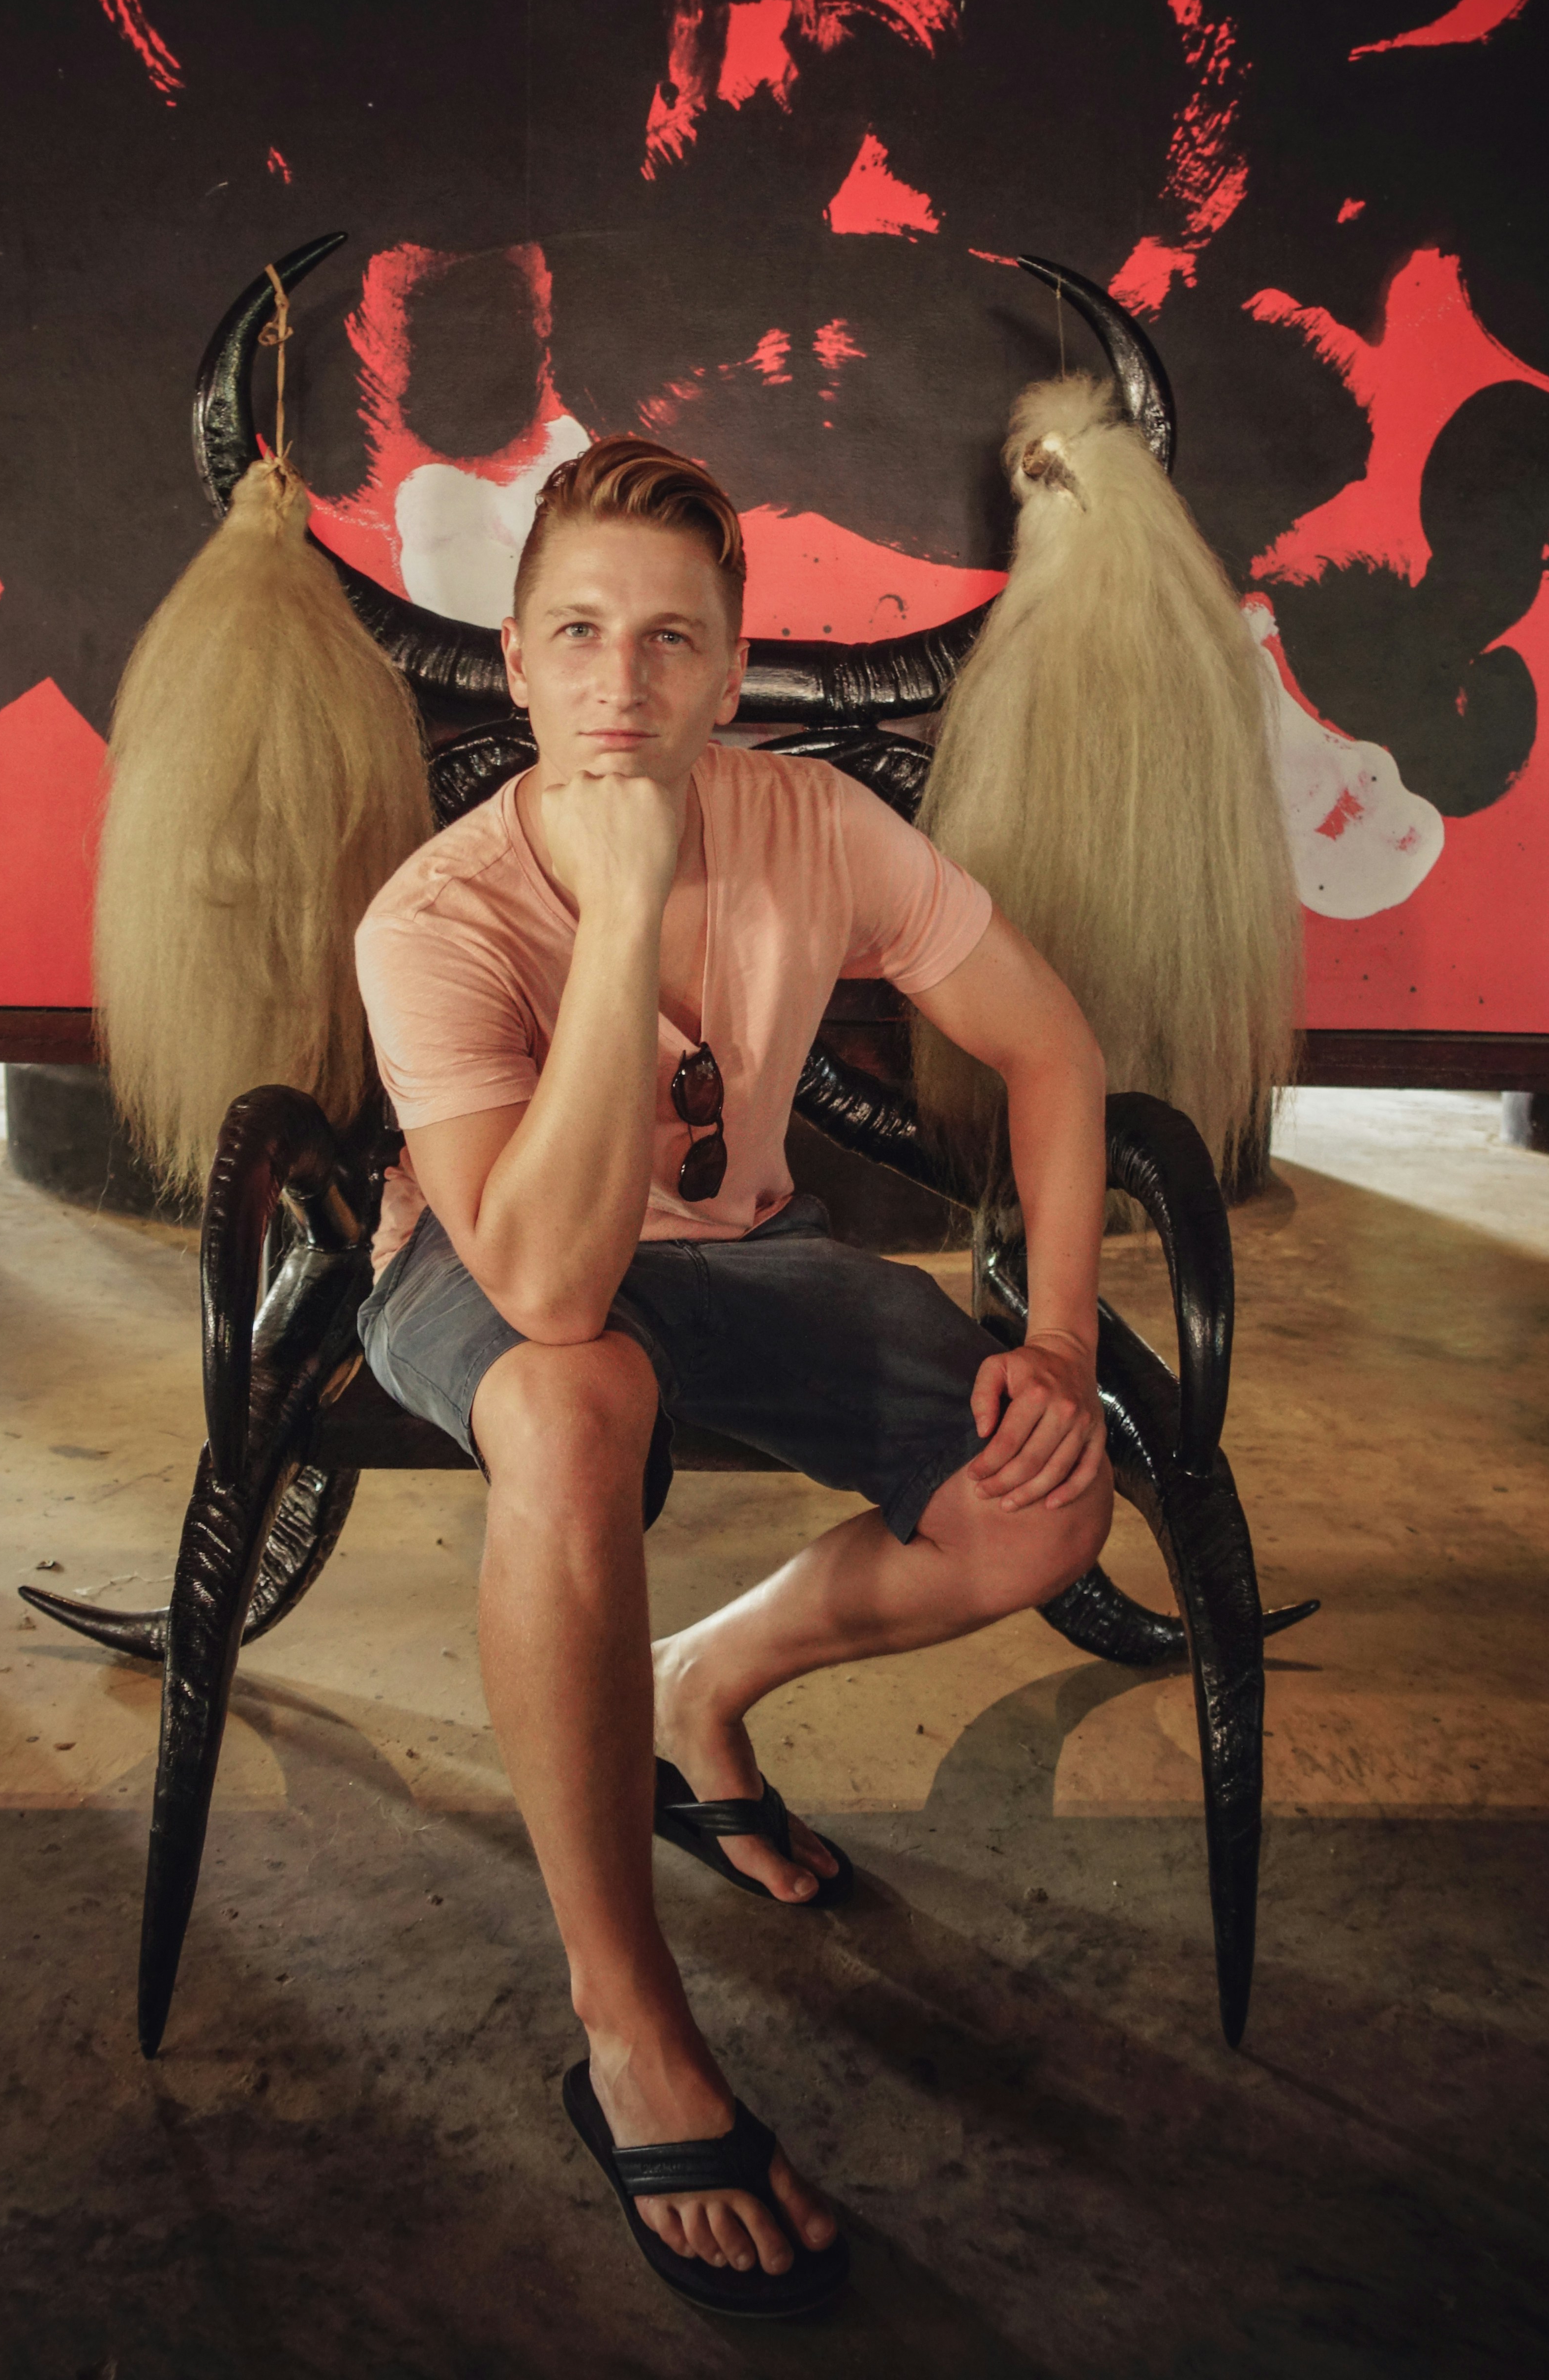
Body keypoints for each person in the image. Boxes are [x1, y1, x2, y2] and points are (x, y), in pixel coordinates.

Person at [353, 436, 1112, 2317]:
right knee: (572, 1393)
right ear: (516, 660)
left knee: (1042, 1520)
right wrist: (620, 913)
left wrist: (1065, 1337)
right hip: (484, 1254)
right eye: (582, 634)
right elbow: (541, 1280)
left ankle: (703, 1684)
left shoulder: (817, 826)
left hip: (741, 1255)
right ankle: (630, 2035)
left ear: (731, 661)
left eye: (674, 641)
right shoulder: (433, 916)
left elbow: (1056, 1051)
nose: (626, 685)